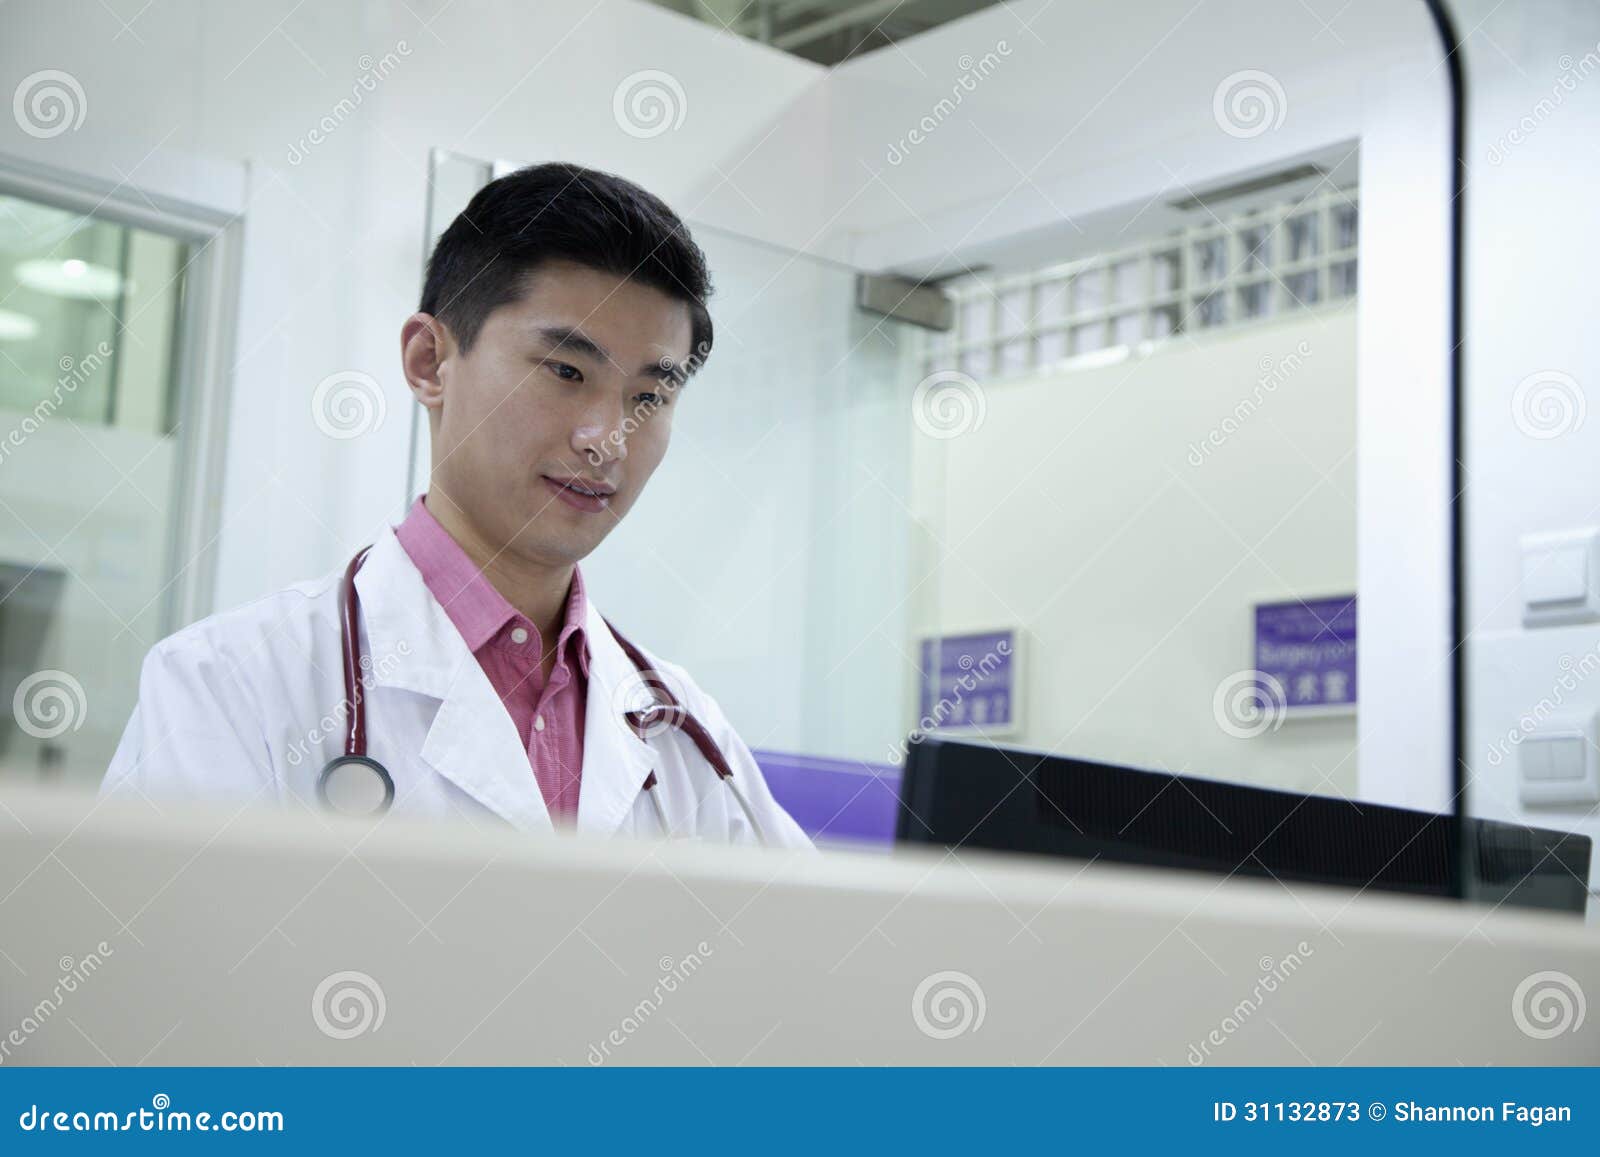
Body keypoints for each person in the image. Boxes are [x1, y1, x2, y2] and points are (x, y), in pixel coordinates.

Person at [102, 162, 812, 849]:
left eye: (649, 397)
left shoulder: (687, 731)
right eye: (567, 370)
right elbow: (159, 961)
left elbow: (801, 962)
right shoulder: (230, 684)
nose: (606, 440)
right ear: (428, 361)